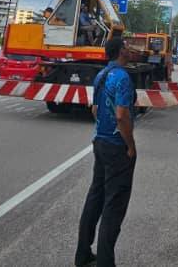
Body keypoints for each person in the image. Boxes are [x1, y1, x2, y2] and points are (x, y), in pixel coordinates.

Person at [75, 37, 137, 267]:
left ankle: (82, 254)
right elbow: (121, 115)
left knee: (95, 198)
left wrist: (102, 128)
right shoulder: (122, 77)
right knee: (114, 204)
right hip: (116, 146)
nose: (130, 50)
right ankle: (105, 262)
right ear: (121, 51)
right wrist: (130, 145)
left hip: (100, 142)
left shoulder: (101, 75)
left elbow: (95, 109)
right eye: (127, 47)